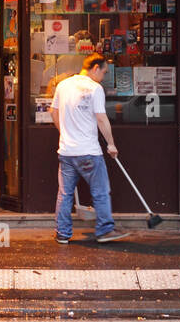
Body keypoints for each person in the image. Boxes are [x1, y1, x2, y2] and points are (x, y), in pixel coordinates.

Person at [51, 53, 128, 244]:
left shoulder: (63, 85)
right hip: (89, 152)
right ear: (95, 68)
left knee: (65, 194)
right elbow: (101, 118)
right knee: (100, 191)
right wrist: (111, 144)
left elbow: (53, 112)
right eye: (104, 72)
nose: (104, 76)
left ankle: (62, 234)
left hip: (66, 151)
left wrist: (65, 133)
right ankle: (104, 230)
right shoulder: (95, 88)